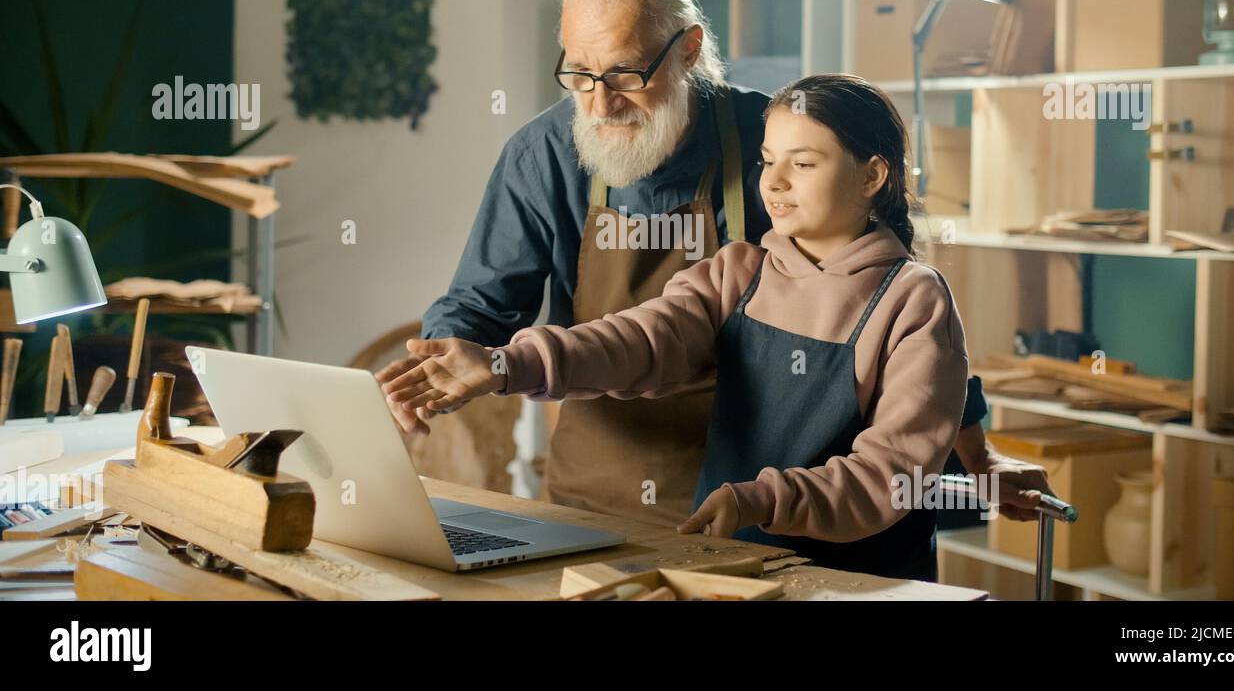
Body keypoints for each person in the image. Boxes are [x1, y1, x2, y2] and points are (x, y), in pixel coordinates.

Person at [381, 0, 1053, 532]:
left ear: (690, 49)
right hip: (597, 498)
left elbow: (902, 318)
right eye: (579, 75)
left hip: (772, 504)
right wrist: (435, 371)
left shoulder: (772, 143)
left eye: (624, 74)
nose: (599, 103)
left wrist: (976, 451)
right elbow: (632, 337)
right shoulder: (546, 157)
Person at [388, 75, 967, 579]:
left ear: (872, 177)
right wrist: (504, 364)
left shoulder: (913, 301)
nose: (775, 182)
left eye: (804, 164)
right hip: (742, 570)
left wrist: (764, 499)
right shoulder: (740, 271)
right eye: (768, 161)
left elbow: (891, 474)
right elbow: (637, 341)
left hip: (864, 580)